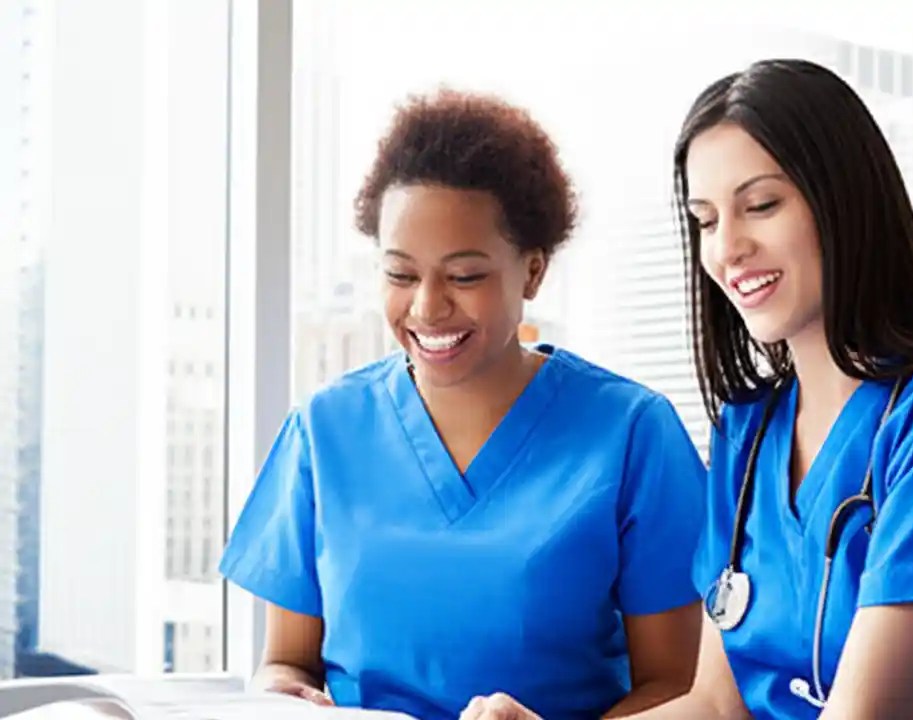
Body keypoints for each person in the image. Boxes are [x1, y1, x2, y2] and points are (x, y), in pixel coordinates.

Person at [463, 59, 913, 720]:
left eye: (762, 205)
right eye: (706, 220)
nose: (727, 248)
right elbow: (719, 704)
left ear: (843, 199)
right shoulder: (746, 435)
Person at [219, 89, 705, 720]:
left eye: (465, 276)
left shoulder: (633, 434)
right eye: (400, 275)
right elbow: (286, 663)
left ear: (533, 271)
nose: (426, 308)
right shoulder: (324, 430)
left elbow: (679, 688)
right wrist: (282, 693)